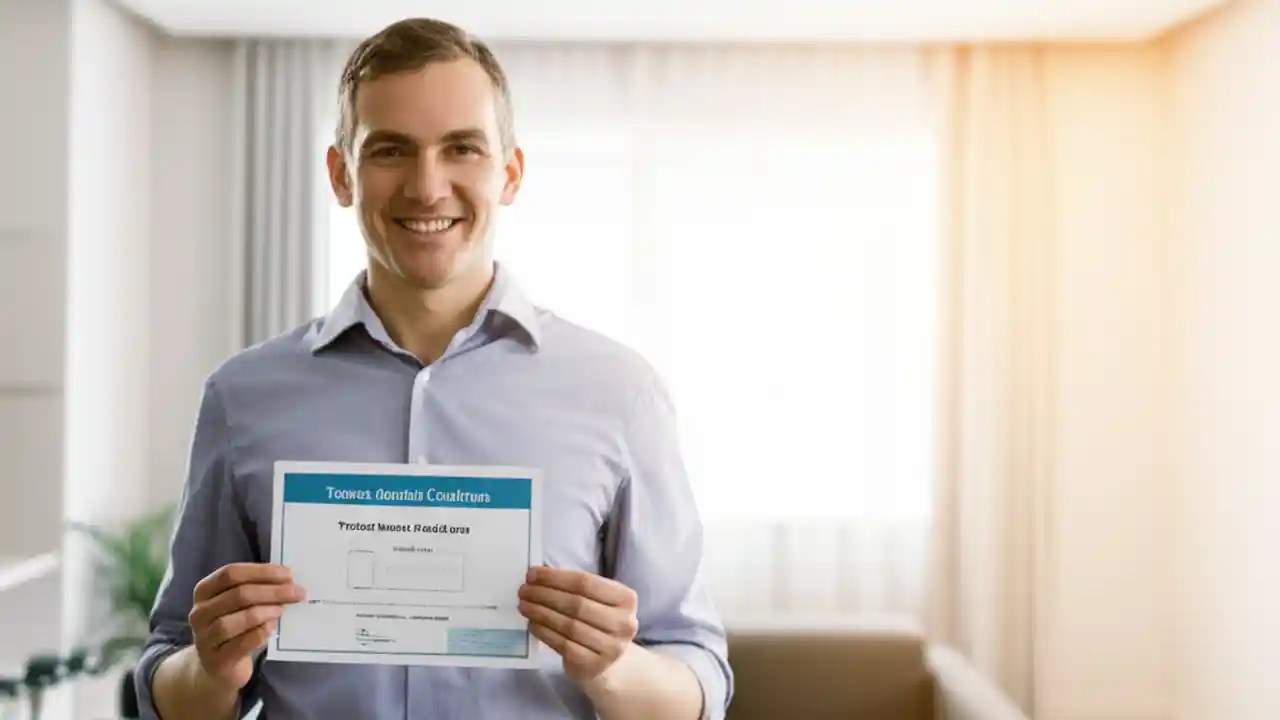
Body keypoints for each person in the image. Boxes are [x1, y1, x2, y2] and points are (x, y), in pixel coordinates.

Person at [136, 16, 732, 720]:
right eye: (390, 150)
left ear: (509, 173)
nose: (427, 186)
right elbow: (166, 679)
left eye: (462, 149)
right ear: (341, 174)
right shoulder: (243, 396)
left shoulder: (620, 394)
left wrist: (614, 668)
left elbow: (699, 683)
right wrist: (210, 668)